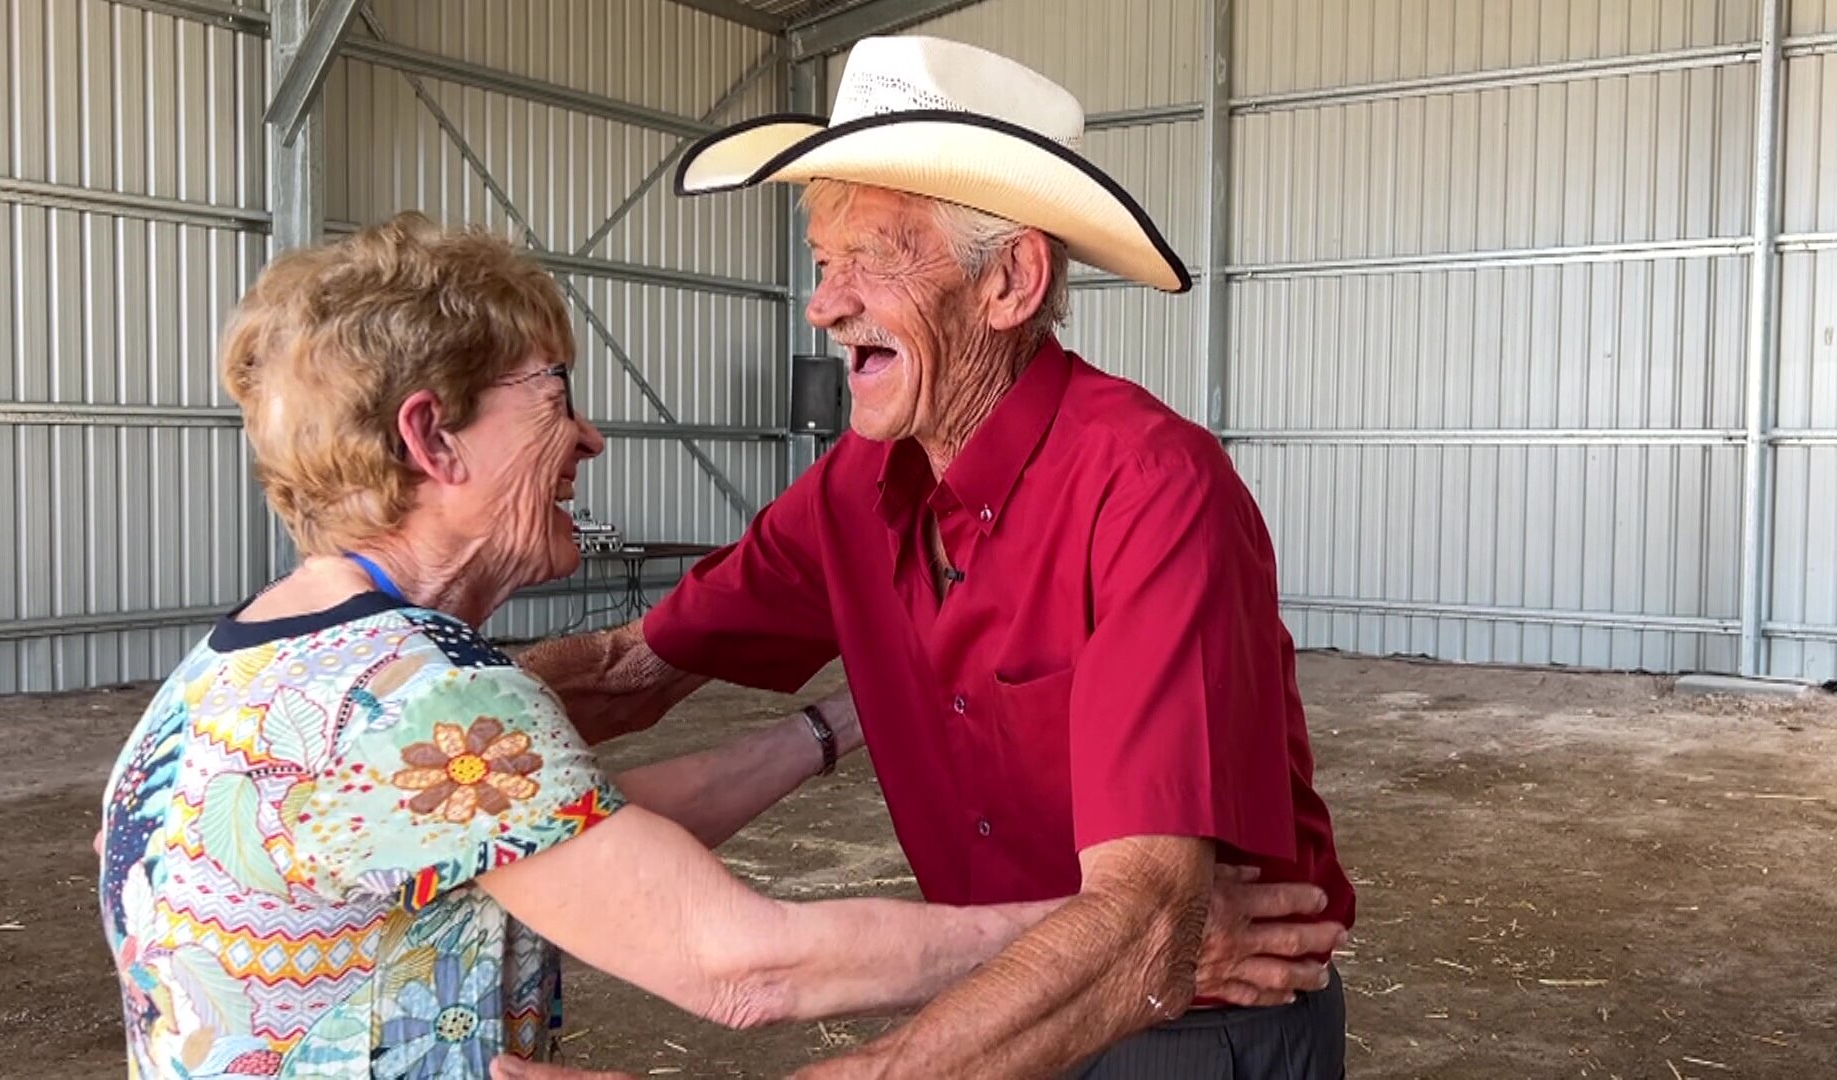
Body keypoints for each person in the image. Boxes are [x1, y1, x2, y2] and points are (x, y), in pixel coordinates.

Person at [505, 35, 1356, 1080]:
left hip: (1188, 1022)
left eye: (875, 258)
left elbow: (1147, 925)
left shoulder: (1147, 486)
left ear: (1009, 279)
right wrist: (404, 704)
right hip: (991, 998)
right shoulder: (855, 493)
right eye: (825, 264)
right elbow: (632, 670)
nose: (824, 303)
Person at [96, 214, 1080, 1079]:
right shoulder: (420, 698)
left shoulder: (256, 671)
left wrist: (839, 723)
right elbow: (750, 965)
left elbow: (591, 833)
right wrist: (1110, 935)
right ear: (434, 438)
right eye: (554, 393)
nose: (588, 436)